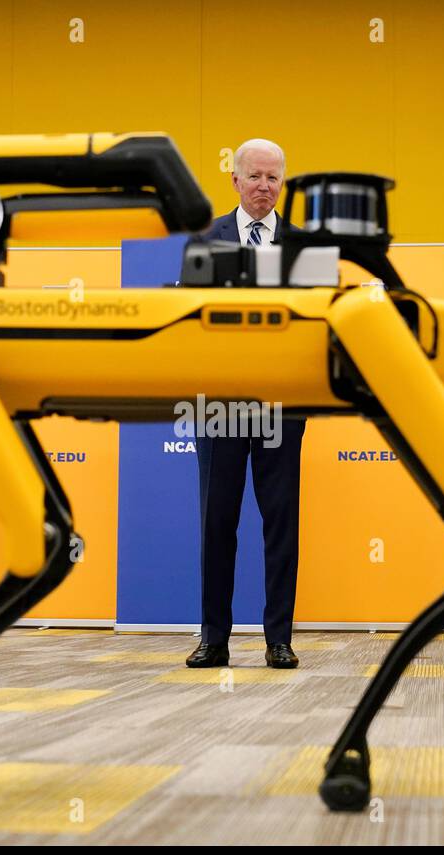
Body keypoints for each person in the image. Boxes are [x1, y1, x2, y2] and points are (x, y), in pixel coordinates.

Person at [185, 139, 306, 670]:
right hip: (219, 405)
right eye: (254, 176)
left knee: (281, 523)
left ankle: (279, 638)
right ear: (234, 180)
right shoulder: (205, 238)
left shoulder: (305, 246)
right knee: (217, 524)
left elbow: (311, 325)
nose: (263, 186)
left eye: (273, 178)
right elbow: (189, 316)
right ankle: (214, 638)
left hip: (283, 405)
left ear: (283, 184)